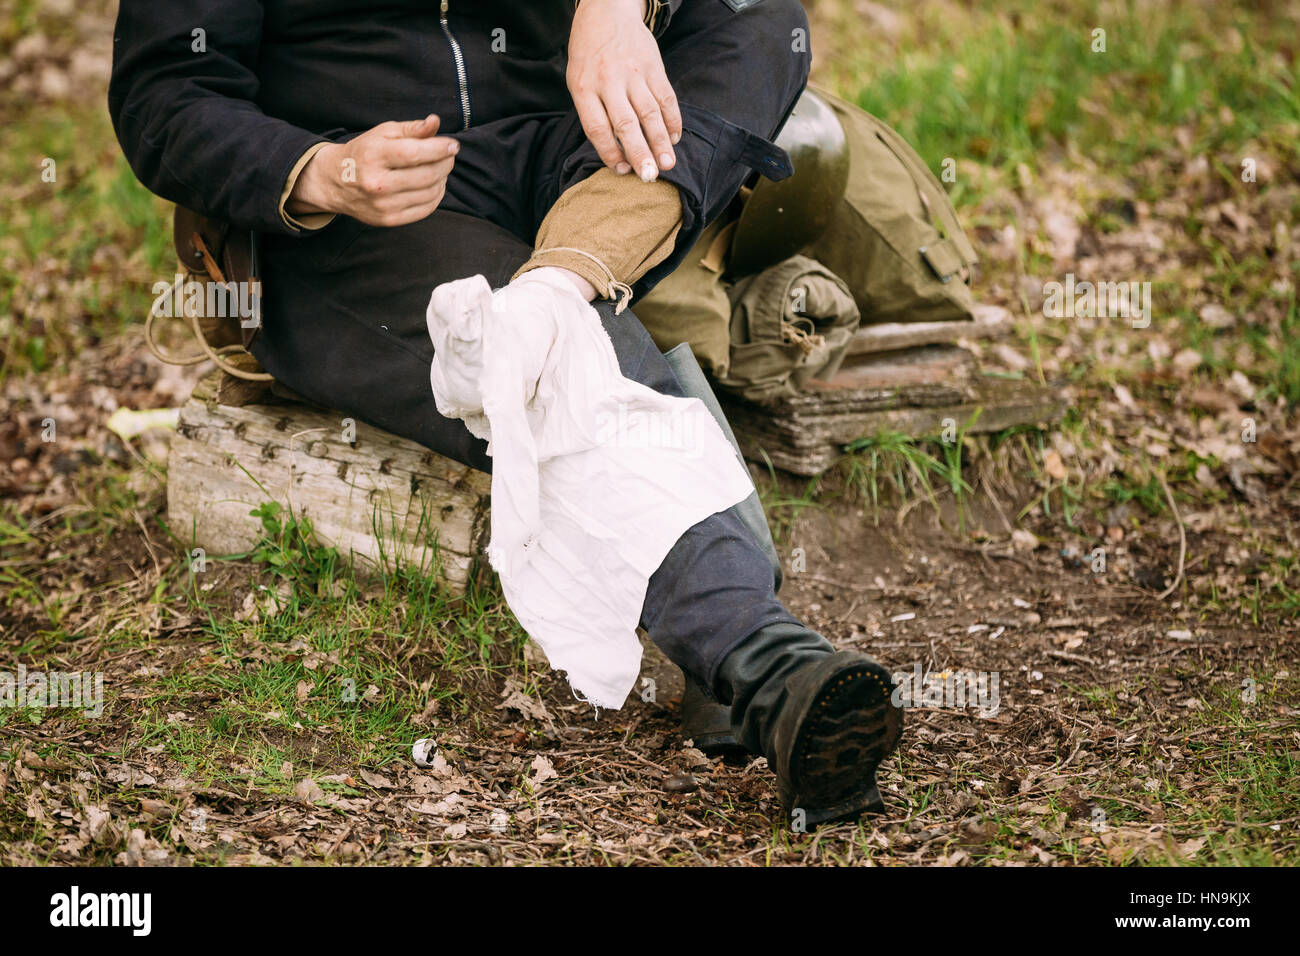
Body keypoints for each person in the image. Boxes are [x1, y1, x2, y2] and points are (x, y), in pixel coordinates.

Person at [109, 0, 903, 827]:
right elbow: (164, 94)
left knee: (755, 11)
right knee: (534, 356)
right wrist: (322, 171)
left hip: (570, 154)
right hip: (360, 217)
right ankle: (765, 662)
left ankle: (563, 277)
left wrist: (615, 9)